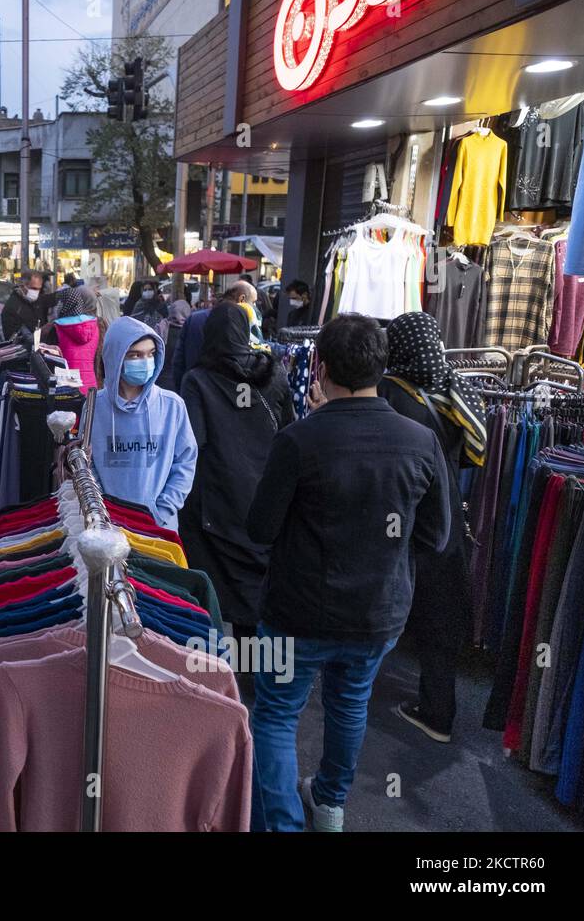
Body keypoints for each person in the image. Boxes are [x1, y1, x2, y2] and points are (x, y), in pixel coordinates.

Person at [245, 313, 451, 832]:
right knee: (349, 703)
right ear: (380, 368)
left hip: (297, 612)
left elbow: (261, 528)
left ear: (322, 366)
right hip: (377, 611)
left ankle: (286, 823)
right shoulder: (420, 439)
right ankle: (330, 803)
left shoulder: (299, 440)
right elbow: (436, 536)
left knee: (275, 715)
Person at [377, 312, 487, 743]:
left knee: (384, 607)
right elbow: (470, 456)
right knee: (441, 616)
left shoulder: (390, 391)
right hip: (445, 521)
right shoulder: (458, 390)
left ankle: (352, 691)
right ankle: (439, 710)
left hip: (399, 523)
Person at [179, 303, 295, 659]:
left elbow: (192, 442)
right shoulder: (273, 373)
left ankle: (219, 674)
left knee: (214, 590)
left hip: (216, 500)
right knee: (256, 589)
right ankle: (259, 670)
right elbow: (288, 429)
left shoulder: (197, 380)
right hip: (263, 495)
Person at [91, 315, 197, 530]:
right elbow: (89, 462)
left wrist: (163, 510)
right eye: (135, 355)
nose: (145, 361)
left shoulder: (172, 406)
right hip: (109, 528)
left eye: (151, 354)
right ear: (116, 358)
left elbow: (185, 462)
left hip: (159, 527)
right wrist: (101, 509)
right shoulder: (94, 406)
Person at [50, 284, 101, 394]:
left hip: (66, 384)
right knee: (88, 411)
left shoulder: (58, 327)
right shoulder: (93, 325)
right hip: (90, 384)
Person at [0, 271, 52, 341]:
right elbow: (13, 338)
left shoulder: (38, 302)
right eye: (34, 289)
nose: (36, 292)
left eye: (39, 289)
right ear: (22, 286)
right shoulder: (12, 307)